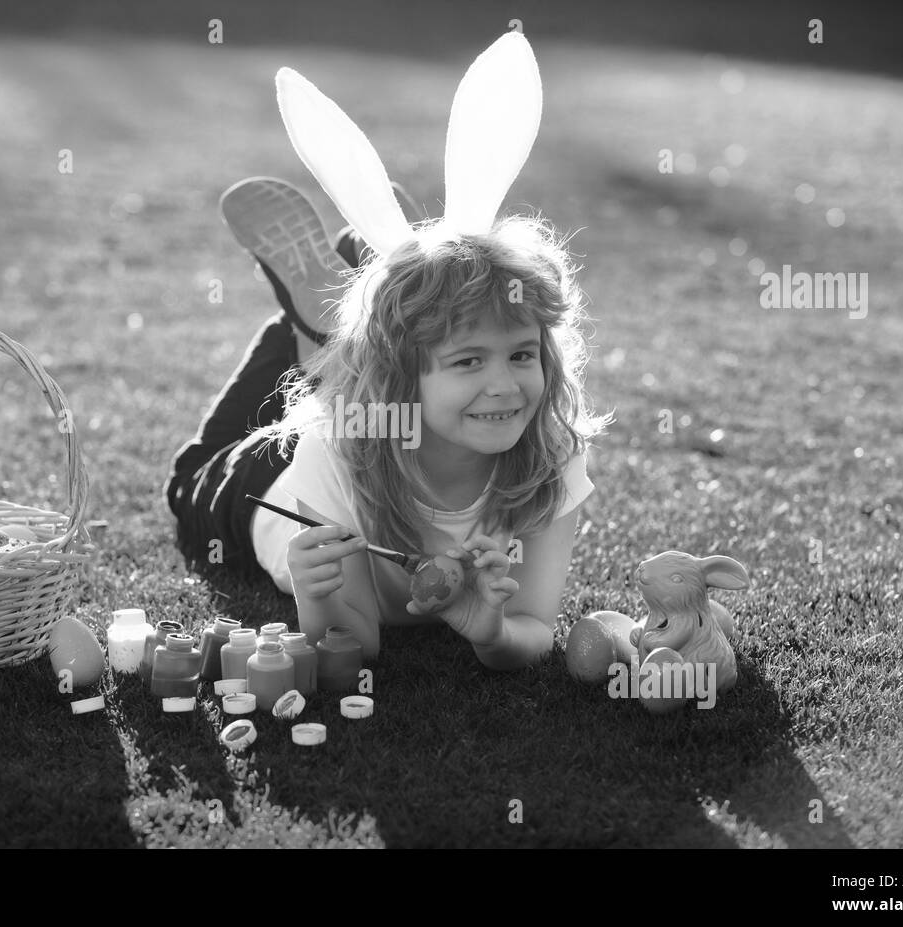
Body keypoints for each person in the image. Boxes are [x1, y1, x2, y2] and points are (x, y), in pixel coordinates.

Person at [165, 33, 610, 669]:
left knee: (346, 355)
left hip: (361, 402)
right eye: (468, 360)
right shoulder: (337, 449)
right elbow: (351, 647)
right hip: (259, 485)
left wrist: (490, 632)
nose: (507, 385)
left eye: (521, 354)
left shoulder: (551, 448)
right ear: (402, 374)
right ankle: (321, 326)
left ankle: (347, 305)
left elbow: (533, 626)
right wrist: (317, 600)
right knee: (188, 482)